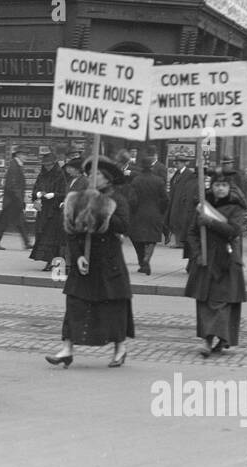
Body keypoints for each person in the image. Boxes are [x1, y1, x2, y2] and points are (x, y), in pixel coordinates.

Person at [48, 156, 134, 368]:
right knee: (75, 304)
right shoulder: (78, 198)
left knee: (113, 306)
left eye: (98, 175)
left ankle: (119, 349)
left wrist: (101, 208)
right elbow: (71, 232)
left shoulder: (117, 200)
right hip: (84, 261)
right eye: (91, 174)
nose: (92, 178)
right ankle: (67, 349)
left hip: (108, 261)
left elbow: (123, 226)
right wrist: (77, 256)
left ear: (108, 179)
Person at [184, 166, 247, 356]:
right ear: (211, 187)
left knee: (222, 302)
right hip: (205, 260)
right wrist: (197, 254)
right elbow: (192, 232)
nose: (220, 189)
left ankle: (219, 338)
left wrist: (211, 222)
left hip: (227, 260)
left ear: (229, 188)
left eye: (223, 185)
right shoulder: (203, 206)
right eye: (216, 185)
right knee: (204, 302)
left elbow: (234, 230)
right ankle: (207, 340)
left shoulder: (235, 207)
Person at [29, 148, 69, 272]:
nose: (47, 167)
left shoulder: (60, 176)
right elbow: (34, 191)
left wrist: (54, 195)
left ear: (54, 164)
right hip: (43, 209)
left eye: (49, 165)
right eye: (45, 165)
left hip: (55, 211)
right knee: (42, 235)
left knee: (52, 237)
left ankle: (52, 261)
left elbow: (63, 193)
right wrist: (38, 194)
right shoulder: (42, 175)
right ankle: (48, 260)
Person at [127, 159, 168, 274]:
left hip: (138, 214)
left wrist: (133, 211)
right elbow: (165, 199)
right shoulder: (159, 181)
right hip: (154, 213)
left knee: (137, 239)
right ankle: (146, 259)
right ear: (151, 168)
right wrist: (161, 211)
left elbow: (132, 200)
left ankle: (142, 261)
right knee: (152, 239)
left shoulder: (136, 180)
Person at [0, 147, 31, 250]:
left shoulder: (16, 165)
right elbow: (12, 185)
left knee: (19, 222)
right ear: (18, 155)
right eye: (24, 154)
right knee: (5, 223)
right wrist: (19, 198)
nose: (26, 157)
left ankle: (26, 243)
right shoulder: (14, 166)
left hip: (12, 200)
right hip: (12, 201)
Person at [166, 163, 201, 253]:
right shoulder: (177, 173)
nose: (177, 165)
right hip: (175, 200)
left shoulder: (188, 174)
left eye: (179, 163)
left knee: (180, 221)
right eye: (176, 163)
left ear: (183, 163)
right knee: (174, 220)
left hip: (182, 201)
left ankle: (180, 242)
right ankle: (178, 241)